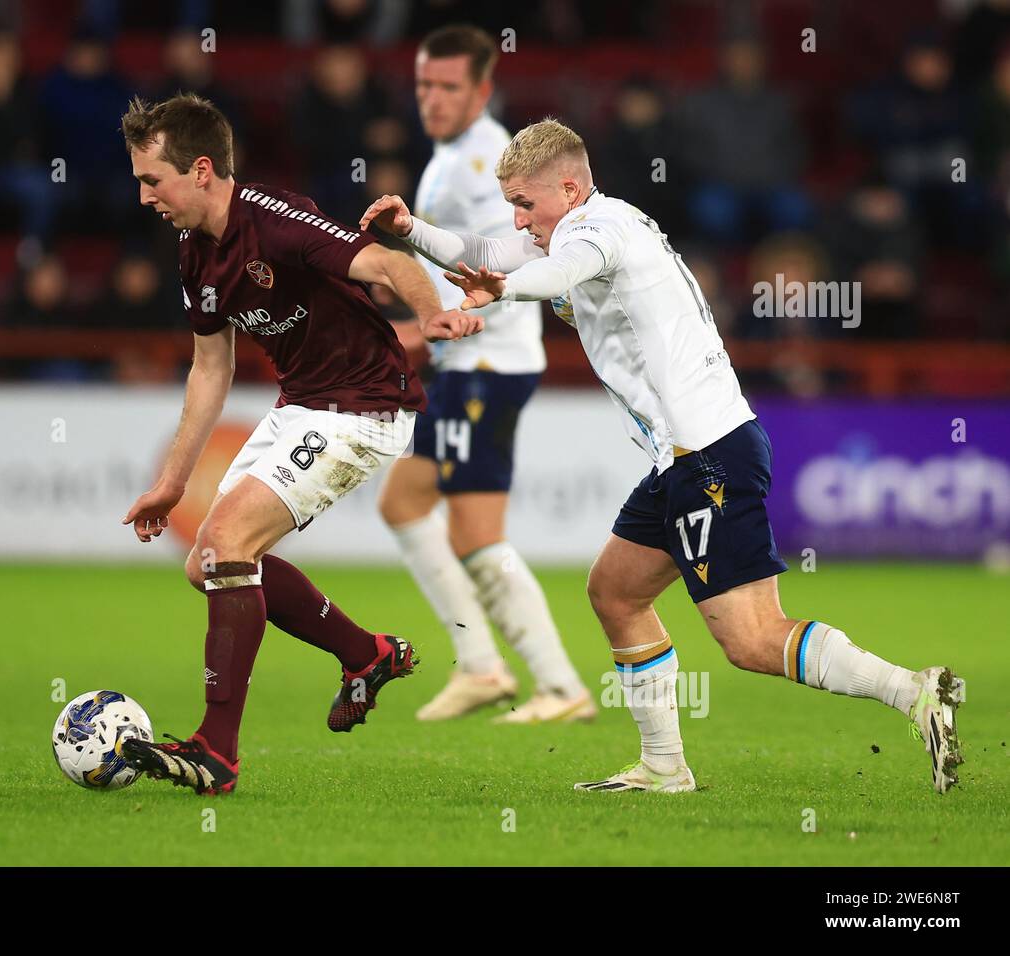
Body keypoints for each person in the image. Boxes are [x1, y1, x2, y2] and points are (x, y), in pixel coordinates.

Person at [361, 118, 965, 794]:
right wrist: (410, 230)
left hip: (705, 454)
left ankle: (914, 692)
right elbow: (484, 248)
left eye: (525, 202)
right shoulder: (583, 223)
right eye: (511, 203)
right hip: (687, 455)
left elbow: (553, 270)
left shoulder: (597, 232)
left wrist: (503, 292)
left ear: (570, 186)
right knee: (615, 593)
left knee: (752, 639)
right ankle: (663, 767)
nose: (516, 217)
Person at [117, 94, 477, 795]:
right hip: (305, 404)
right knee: (207, 564)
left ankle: (215, 751)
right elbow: (210, 368)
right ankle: (365, 655)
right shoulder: (194, 251)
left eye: (151, 180)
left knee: (227, 547)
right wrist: (172, 481)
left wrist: (434, 315)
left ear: (199, 170)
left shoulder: (275, 222)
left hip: (365, 404)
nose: (143, 197)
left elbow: (387, 264)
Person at [378, 24, 594, 724]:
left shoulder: (483, 165)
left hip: (486, 364)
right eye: (423, 86)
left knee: (474, 532)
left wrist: (438, 325)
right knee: (403, 505)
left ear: (481, 89)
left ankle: (559, 686)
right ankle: (479, 664)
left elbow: (515, 259)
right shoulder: (450, 157)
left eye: (447, 87)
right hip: (461, 364)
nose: (431, 99)